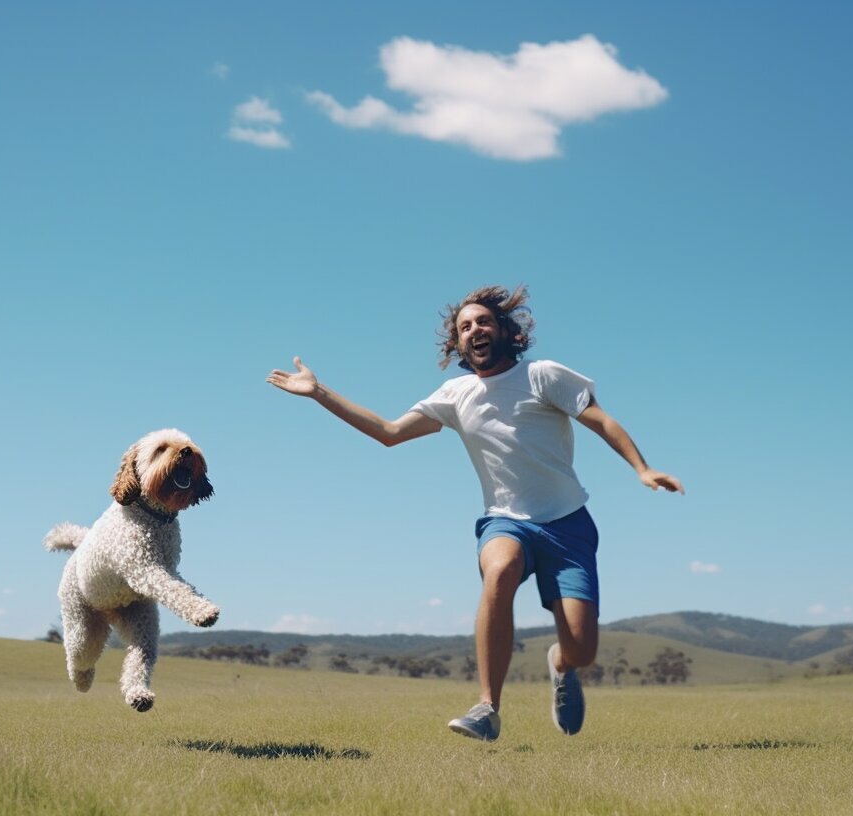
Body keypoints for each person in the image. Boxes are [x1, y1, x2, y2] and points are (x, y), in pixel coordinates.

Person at [267, 285, 683, 741]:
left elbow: (602, 420)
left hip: (568, 523)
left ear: (505, 330)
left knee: (582, 650)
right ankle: (487, 708)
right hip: (506, 520)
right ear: (458, 344)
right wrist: (318, 392)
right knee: (500, 568)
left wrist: (642, 469)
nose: (474, 330)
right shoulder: (455, 393)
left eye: (483, 322)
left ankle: (561, 665)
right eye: (464, 327)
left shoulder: (543, 376)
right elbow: (388, 432)